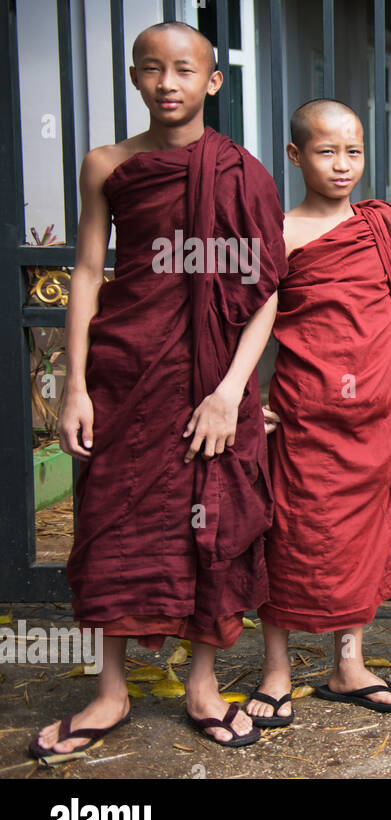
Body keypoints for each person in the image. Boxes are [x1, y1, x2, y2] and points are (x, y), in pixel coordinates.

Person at [33, 22, 285, 756]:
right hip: (127, 369)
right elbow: (86, 273)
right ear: (137, 80)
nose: (167, 82)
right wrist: (74, 386)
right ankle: (109, 693)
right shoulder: (106, 165)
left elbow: (264, 287)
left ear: (213, 81)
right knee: (113, 522)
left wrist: (231, 391)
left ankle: (203, 685)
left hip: (213, 383)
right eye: (151, 70)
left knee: (211, 524)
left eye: (183, 69)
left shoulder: (244, 172)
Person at [245, 99, 391, 728]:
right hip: (302, 415)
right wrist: (249, 398)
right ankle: (277, 670)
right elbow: (249, 325)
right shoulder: (278, 230)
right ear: (295, 156)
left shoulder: (386, 229)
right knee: (289, 537)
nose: (343, 164)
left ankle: (348, 664)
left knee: (358, 543)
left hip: (376, 418)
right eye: (326, 152)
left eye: (353, 151)